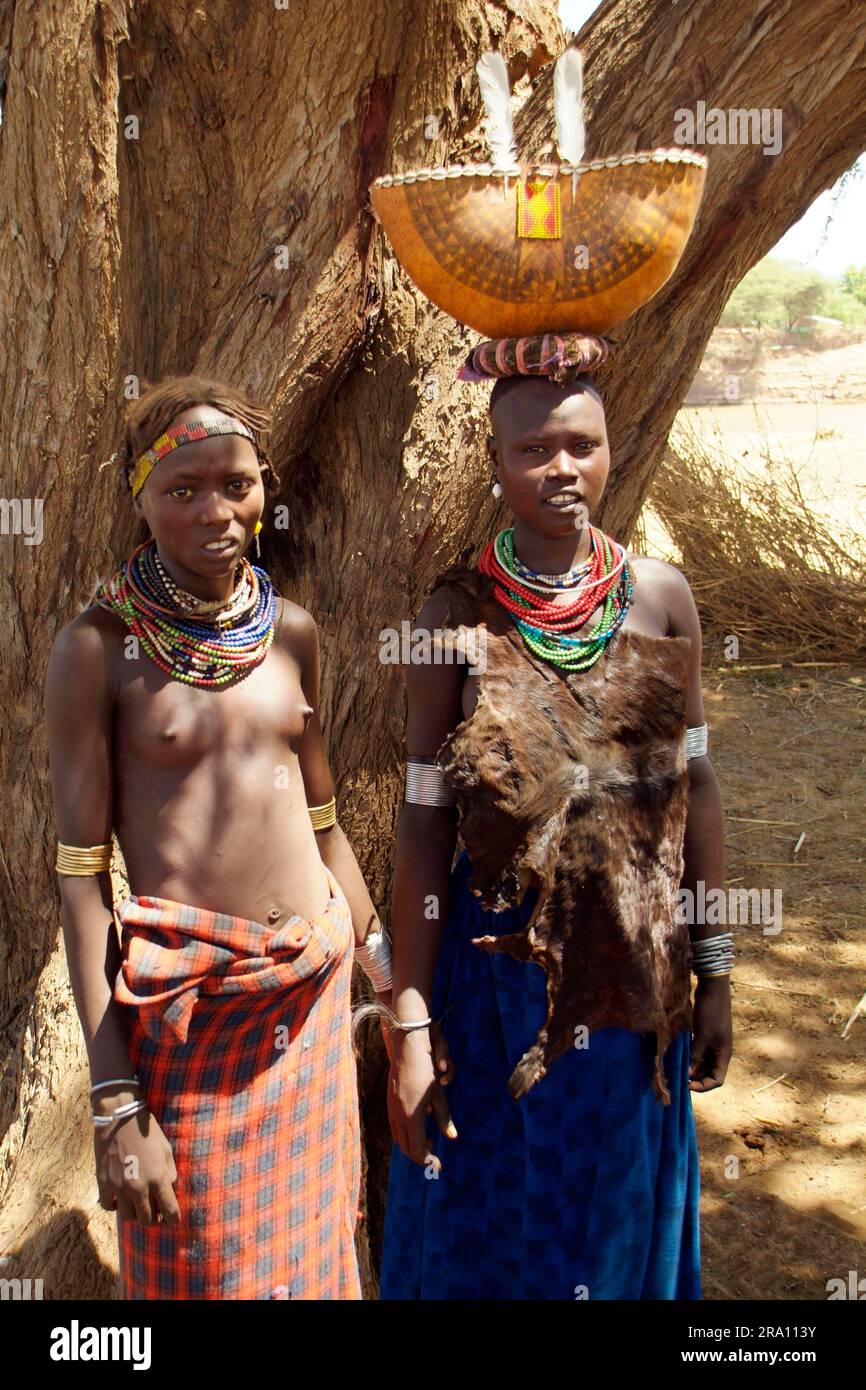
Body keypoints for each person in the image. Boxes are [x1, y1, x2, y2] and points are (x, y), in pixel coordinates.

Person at [380, 362, 733, 1300]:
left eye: (582, 444)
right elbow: (422, 822)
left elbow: (695, 786)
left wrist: (718, 971)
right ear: (494, 463)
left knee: (608, 1225)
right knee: (492, 1227)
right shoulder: (454, 619)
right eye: (532, 450)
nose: (562, 468)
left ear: (611, 451)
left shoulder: (662, 598)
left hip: (634, 987)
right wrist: (410, 1021)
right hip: (493, 988)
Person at [46, 376, 389, 1300]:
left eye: (235, 483)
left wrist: (396, 992)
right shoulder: (99, 650)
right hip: (190, 1027)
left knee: (316, 1264)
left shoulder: (294, 636)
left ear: (266, 486)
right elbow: (81, 882)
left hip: (311, 1010)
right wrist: (116, 1098)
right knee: (200, 1273)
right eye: (182, 490)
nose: (215, 511)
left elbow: (323, 828)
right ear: (142, 501)